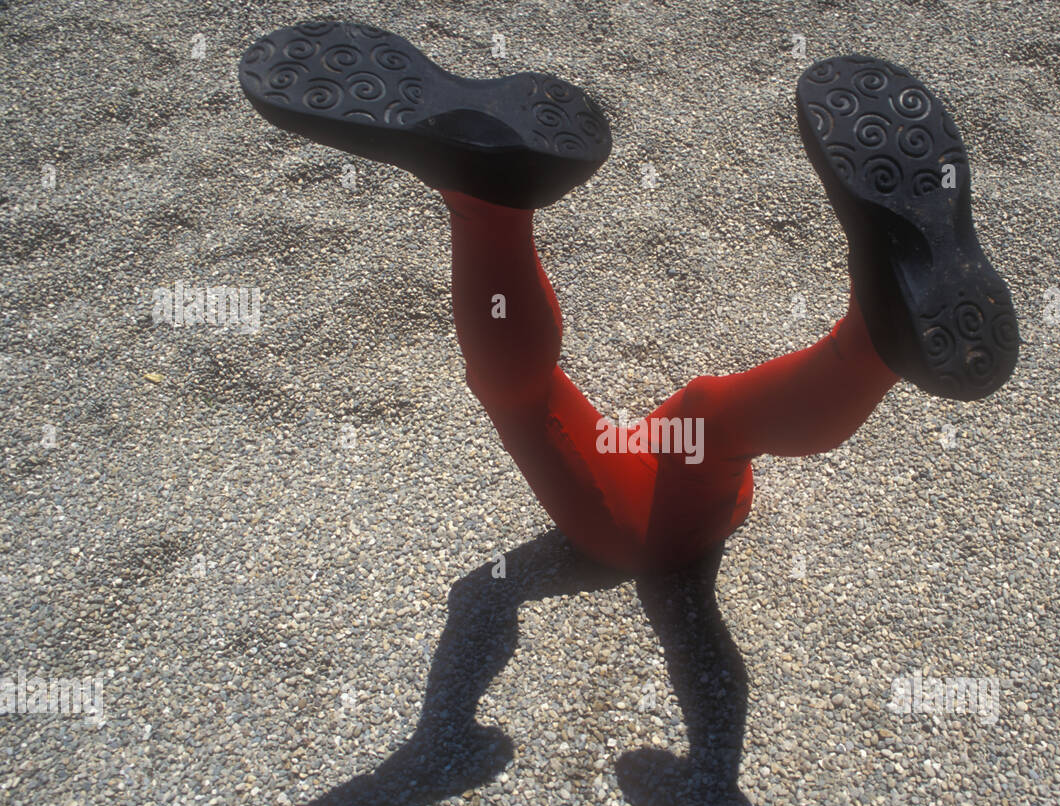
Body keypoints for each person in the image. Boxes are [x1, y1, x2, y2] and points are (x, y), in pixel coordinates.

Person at [239, 20, 1019, 574]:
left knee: (526, 396)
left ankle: (485, 196)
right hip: (662, 465)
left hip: (629, 530)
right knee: (702, 415)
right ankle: (880, 339)